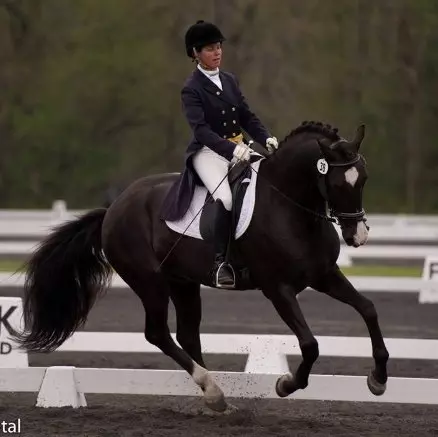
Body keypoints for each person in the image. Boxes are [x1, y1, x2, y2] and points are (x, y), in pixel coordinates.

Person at [162, 19, 278, 289]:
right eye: (210, 48)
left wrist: (266, 138)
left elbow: (246, 116)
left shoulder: (230, 80)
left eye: (219, 47)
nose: (217, 52)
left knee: (265, 185)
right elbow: (201, 131)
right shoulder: (191, 88)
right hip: (208, 153)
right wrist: (233, 149)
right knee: (225, 198)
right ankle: (220, 263)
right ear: (195, 53)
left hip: (239, 147)